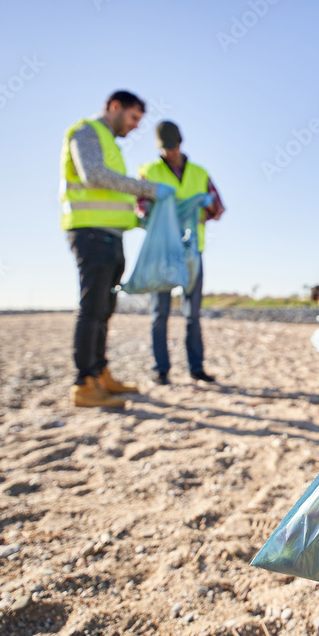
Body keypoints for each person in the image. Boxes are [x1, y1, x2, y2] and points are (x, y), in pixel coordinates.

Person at [60, 90, 176, 408]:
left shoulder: (111, 143)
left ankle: (100, 372)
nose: (137, 126)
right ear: (115, 107)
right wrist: (149, 189)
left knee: (105, 309)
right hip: (90, 232)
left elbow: (115, 197)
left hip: (111, 233)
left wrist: (141, 219)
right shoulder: (87, 132)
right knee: (92, 308)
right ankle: (84, 383)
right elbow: (94, 175)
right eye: (134, 117)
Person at [137, 121, 225, 385]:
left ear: (181, 143)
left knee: (192, 314)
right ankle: (160, 369)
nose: (170, 152)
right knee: (159, 313)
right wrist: (153, 210)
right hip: (161, 252)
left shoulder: (199, 173)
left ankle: (196, 368)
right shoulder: (148, 171)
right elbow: (139, 208)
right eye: (165, 148)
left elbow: (218, 209)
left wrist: (207, 206)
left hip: (191, 252)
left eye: (173, 147)